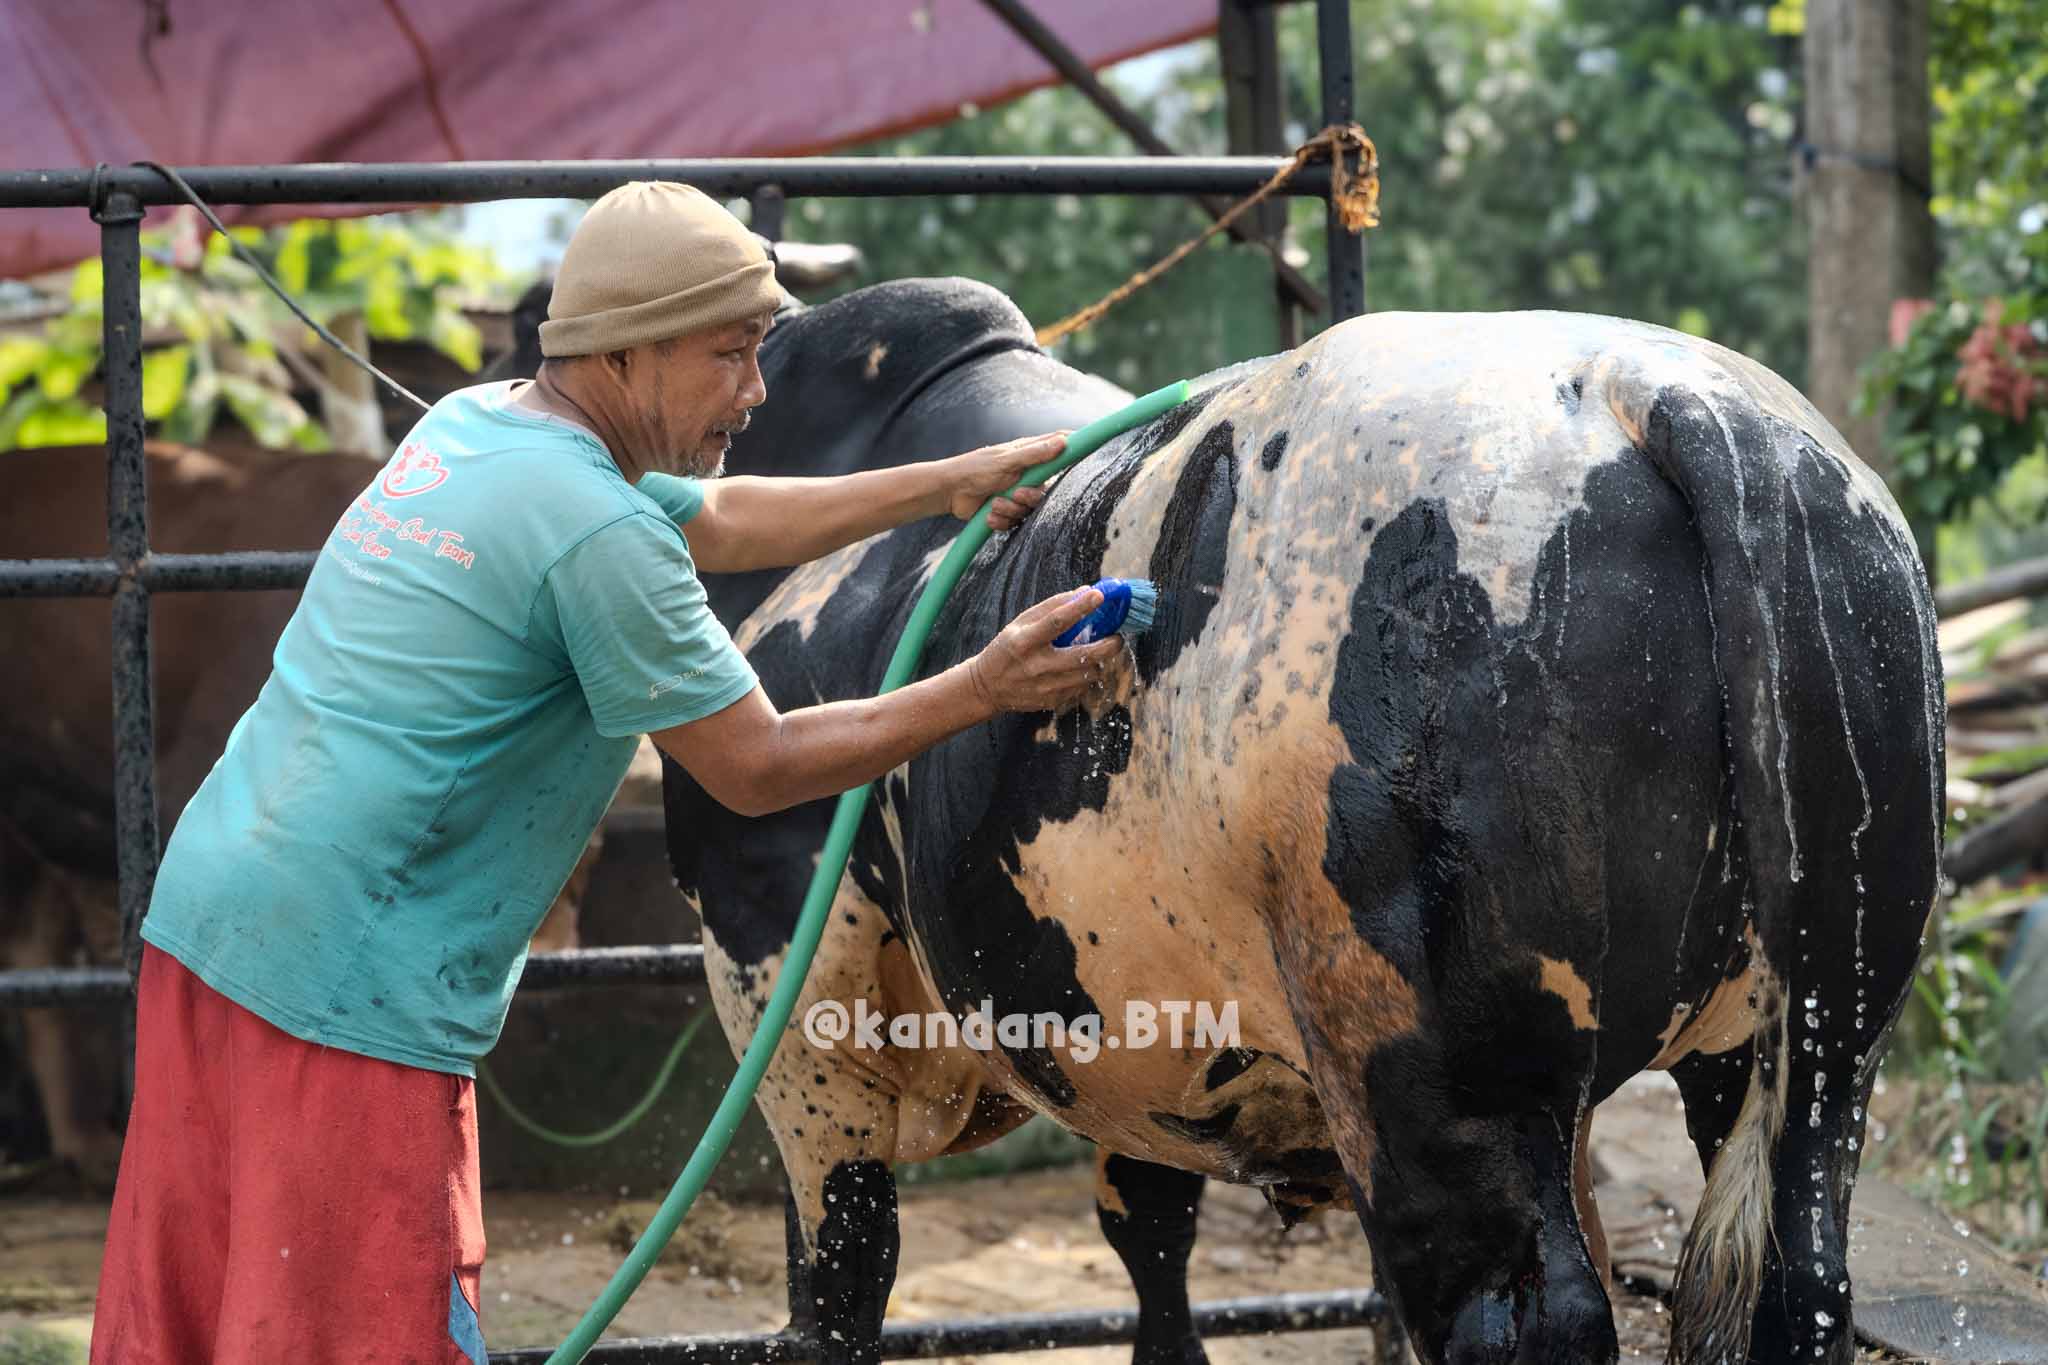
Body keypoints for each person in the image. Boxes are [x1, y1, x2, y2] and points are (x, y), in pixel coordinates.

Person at [90, 181, 1123, 1364]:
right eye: (730, 355)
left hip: (214, 921)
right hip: (346, 986)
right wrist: (984, 687)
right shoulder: (597, 531)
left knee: (199, 1316)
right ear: (625, 353)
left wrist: (944, 482)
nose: (756, 389)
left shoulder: (480, 424)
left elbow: (722, 517)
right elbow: (757, 763)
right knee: (355, 1338)